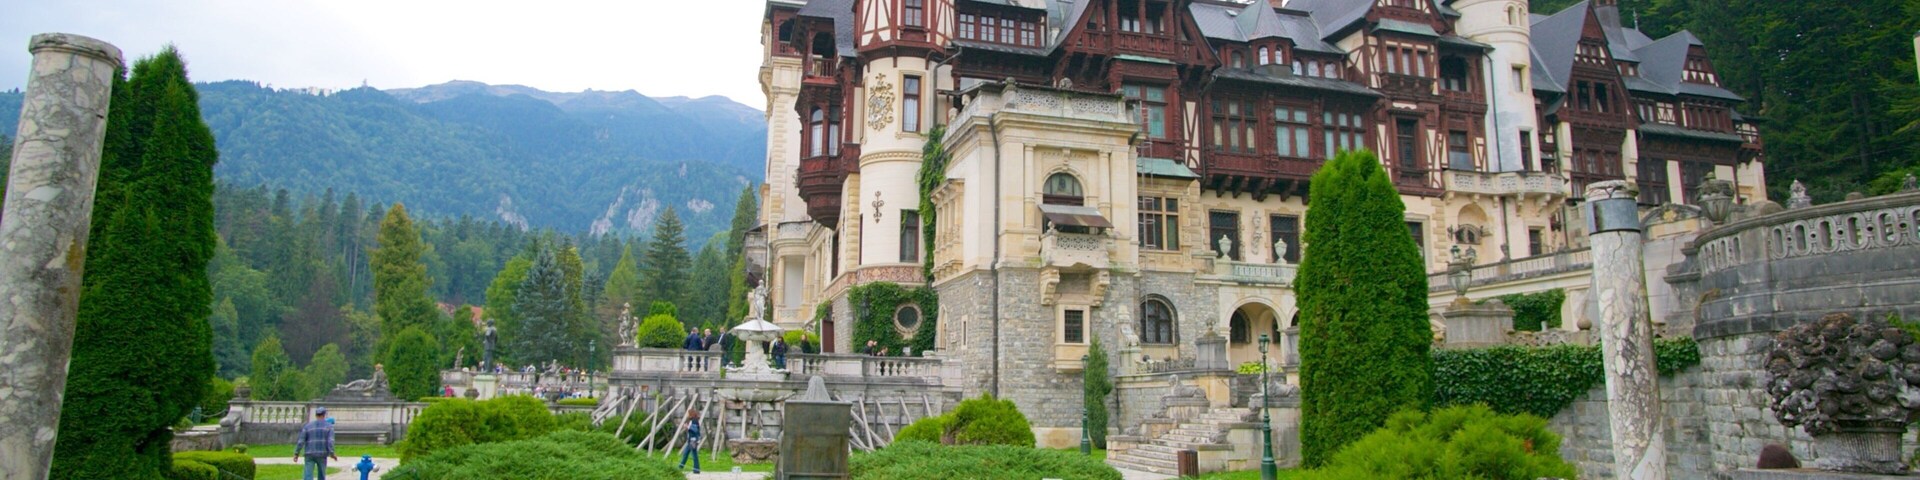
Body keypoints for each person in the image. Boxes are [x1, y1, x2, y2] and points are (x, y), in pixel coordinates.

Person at [295, 407, 337, 480]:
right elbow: (330, 441)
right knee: (321, 475)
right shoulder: (329, 427)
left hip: (309, 453)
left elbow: (301, 441)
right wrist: (332, 453)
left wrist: (296, 453)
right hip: (322, 454)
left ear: (316, 415)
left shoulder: (307, 426)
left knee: (308, 475)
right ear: (324, 415)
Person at [677, 407, 703, 473]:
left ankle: (696, 470)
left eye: (688, 413)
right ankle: (680, 467)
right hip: (690, 440)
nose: (687, 415)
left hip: (693, 440)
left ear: (691, 414)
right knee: (685, 454)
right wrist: (687, 427)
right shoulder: (692, 420)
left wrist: (687, 426)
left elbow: (695, 429)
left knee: (694, 455)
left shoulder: (694, 420)